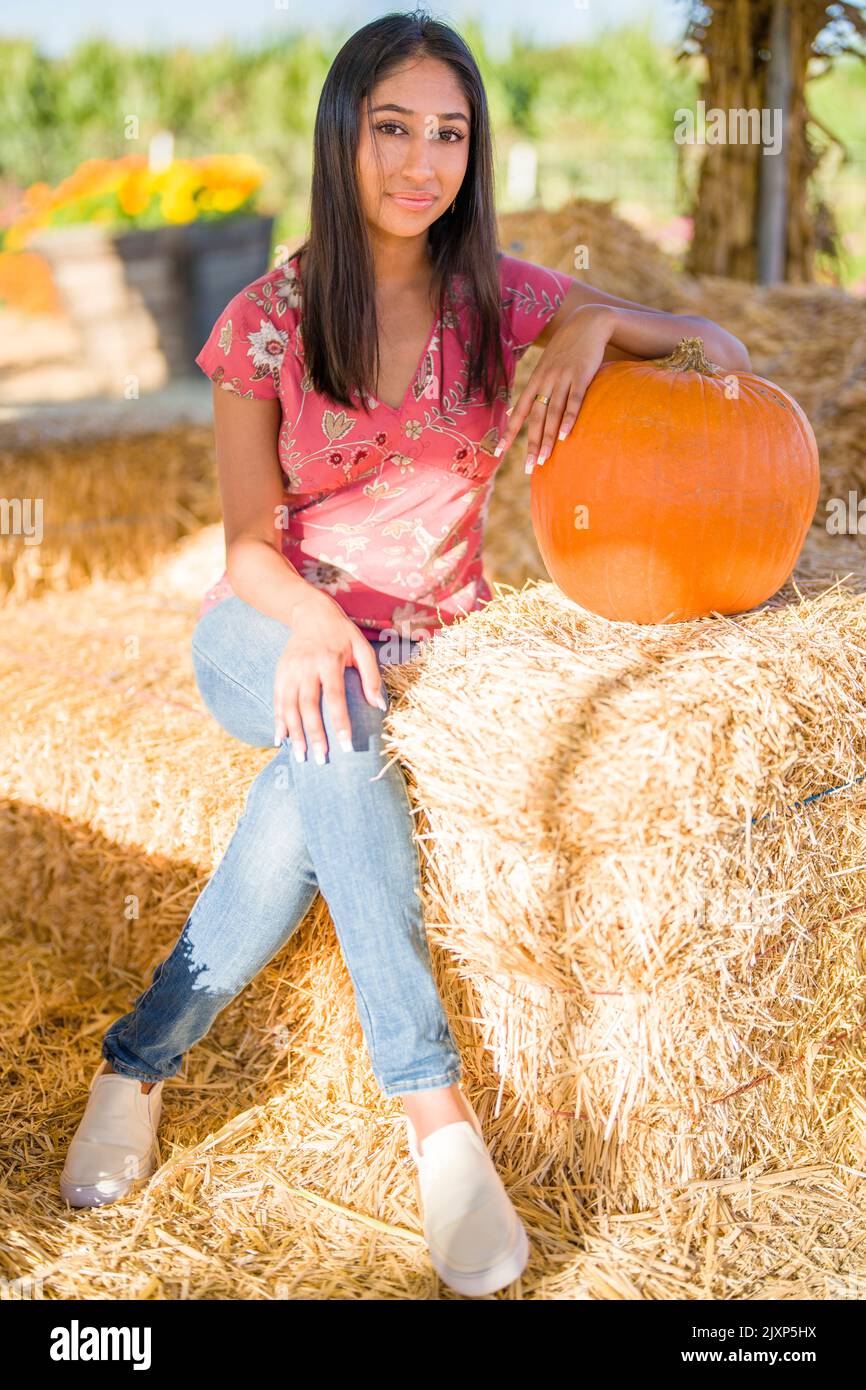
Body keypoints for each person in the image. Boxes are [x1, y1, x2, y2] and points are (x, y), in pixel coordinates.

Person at [59, 8, 750, 1297]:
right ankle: (439, 1122)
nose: (422, 160)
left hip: (430, 651)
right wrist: (318, 624)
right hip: (267, 626)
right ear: (344, 137)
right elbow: (247, 552)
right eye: (393, 128)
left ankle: (135, 1064)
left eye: (450, 132)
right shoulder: (265, 319)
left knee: (322, 769)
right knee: (333, 707)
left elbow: (726, 353)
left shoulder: (499, 296)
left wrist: (596, 330)